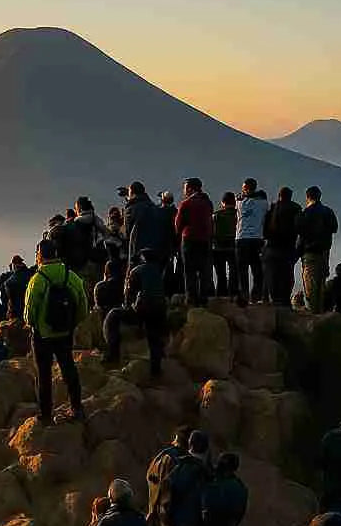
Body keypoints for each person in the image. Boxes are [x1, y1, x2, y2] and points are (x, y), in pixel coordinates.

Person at [23, 239, 88, 424]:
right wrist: (72, 323)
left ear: (40, 256)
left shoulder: (37, 280)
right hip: (65, 333)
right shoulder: (71, 276)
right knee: (69, 369)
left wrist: (37, 325)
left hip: (42, 336)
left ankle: (46, 416)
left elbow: (28, 314)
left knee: (44, 375)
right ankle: (77, 408)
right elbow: (83, 305)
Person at [102, 248, 169, 376]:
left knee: (113, 315)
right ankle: (156, 369)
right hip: (160, 309)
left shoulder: (136, 271)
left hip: (144, 308)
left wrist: (128, 308)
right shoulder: (158, 270)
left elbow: (128, 295)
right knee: (154, 335)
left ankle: (112, 354)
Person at [295, 186, 339, 313]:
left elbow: (301, 237)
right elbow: (334, 228)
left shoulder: (306, 213)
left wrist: (295, 255)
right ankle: (320, 317)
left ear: (307, 197)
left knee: (310, 291)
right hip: (324, 255)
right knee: (320, 289)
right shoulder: (328, 212)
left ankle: (313, 321)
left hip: (310, 256)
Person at [174, 177, 215, 307]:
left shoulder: (186, 204)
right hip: (205, 239)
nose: (184, 191)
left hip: (189, 239)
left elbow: (178, 224)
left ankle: (191, 299)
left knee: (189, 270)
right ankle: (203, 298)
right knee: (204, 270)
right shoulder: (208, 203)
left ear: (190, 188)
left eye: (185, 188)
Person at [262, 187, 301, 307]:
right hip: (288, 248)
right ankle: (285, 301)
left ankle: (274, 301)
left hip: (272, 247)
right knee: (287, 276)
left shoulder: (272, 209)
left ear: (279, 195)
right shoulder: (296, 209)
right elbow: (300, 229)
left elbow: (264, 229)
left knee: (272, 276)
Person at [234, 179, 268, 304]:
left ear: (246, 188)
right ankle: (256, 295)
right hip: (257, 238)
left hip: (242, 238)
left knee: (242, 270)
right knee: (257, 269)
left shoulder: (240, 202)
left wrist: (242, 196)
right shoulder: (263, 203)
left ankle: (244, 295)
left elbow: (238, 201)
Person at [1, 256, 34, 323]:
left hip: (16, 315)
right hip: (31, 312)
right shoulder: (32, 275)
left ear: (13, 265)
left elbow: (4, 300)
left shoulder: (9, 282)